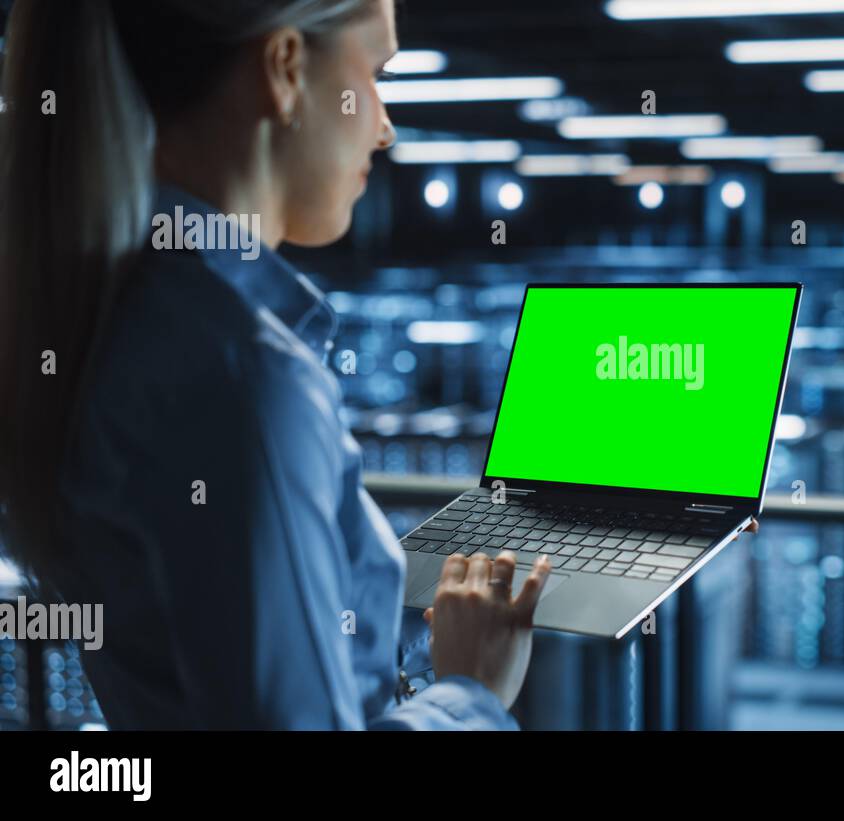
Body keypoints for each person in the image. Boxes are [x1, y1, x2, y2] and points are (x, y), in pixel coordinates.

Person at [0, 0, 550, 729]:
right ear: (286, 68)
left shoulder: (120, 321)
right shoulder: (245, 381)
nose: (384, 126)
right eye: (375, 72)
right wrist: (470, 689)